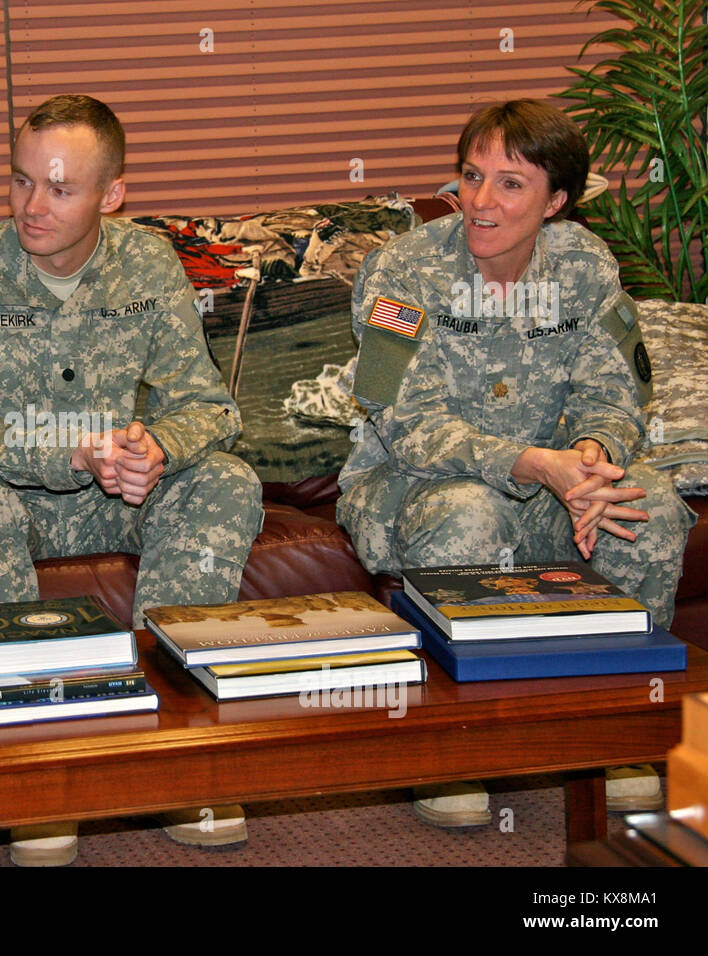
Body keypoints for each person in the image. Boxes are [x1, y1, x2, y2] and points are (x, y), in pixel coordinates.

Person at [0, 94, 265, 864]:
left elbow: (210, 405)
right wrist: (71, 453)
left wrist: (157, 446)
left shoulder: (148, 263)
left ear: (112, 194)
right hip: (13, 496)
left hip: (116, 498)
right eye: (20, 181)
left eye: (61, 189)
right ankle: (36, 772)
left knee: (226, 479)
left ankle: (176, 753)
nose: (32, 207)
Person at [337, 99, 696, 826]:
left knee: (646, 504)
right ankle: (453, 752)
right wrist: (539, 465)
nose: (479, 200)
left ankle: (609, 737)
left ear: (556, 201)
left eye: (510, 183)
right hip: (414, 487)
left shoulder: (585, 264)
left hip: (556, 487)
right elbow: (412, 428)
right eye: (471, 176)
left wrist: (594, 460)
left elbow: (615, 392)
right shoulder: (401, 271)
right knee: (468, 512)